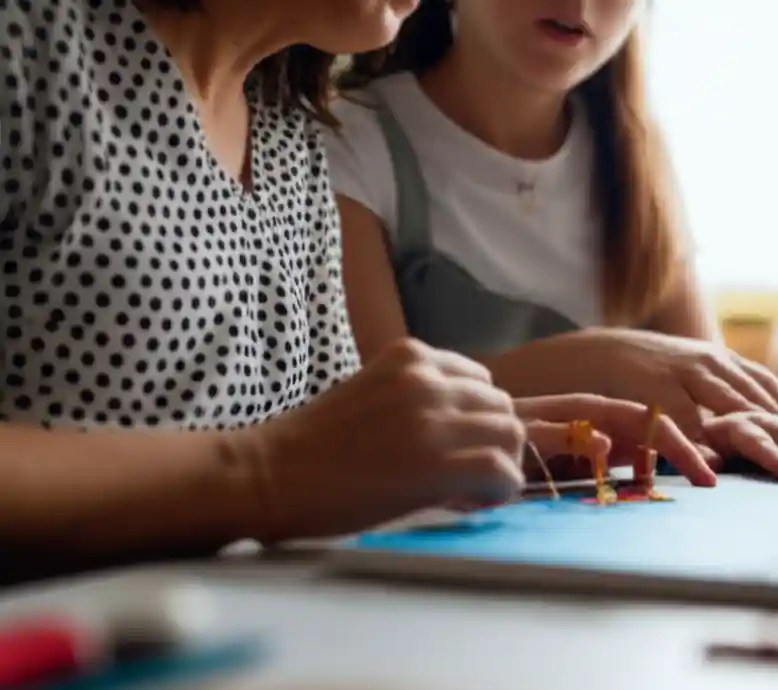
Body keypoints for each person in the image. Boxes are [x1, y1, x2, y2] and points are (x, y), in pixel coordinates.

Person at [0, 0, 716, 584]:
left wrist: (513, 435)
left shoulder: (288, 136)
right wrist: (265, 475)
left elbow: (332, 437)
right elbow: (284, 464)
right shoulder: (30, 43)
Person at [327, 0, 778, 481]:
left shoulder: (636, 156)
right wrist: (600, 361)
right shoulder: (348, 137)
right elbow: (368, 407)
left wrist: (750, 431)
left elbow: (711, 400)